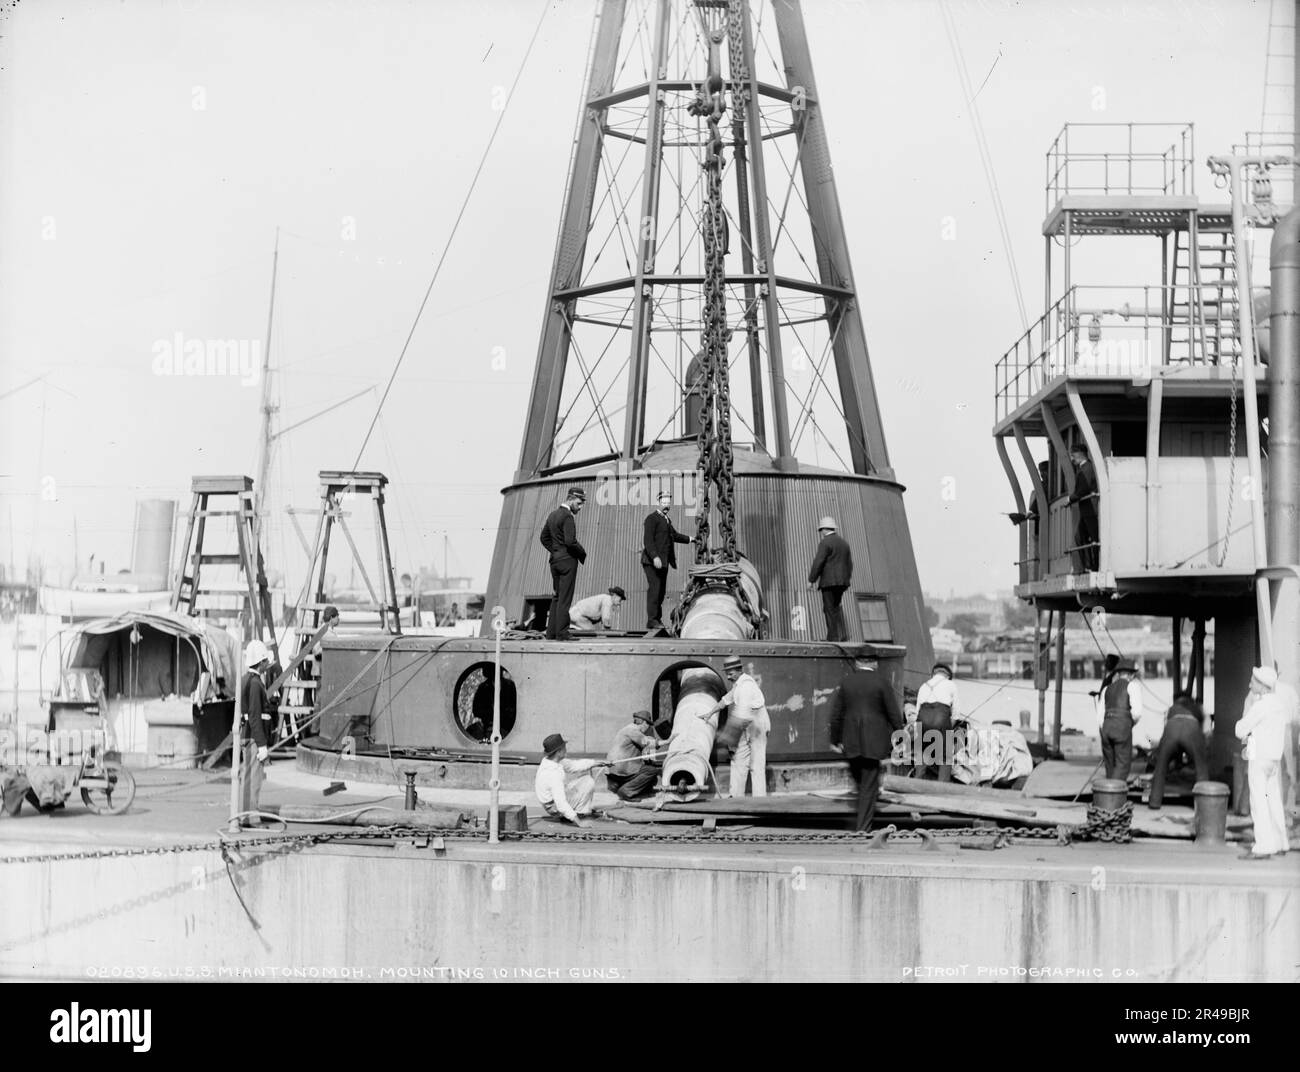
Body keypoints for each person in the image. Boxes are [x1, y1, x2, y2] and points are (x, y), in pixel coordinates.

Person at [828, 652, 905, 832]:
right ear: (875, 663)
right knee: (868, 787)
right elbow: (893, 713)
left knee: (862, 784)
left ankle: (861, 819)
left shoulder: (846, 682)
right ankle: (863, 828)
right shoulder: (882, 682)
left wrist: (835, 740)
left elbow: (836, 714)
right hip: (874, 742)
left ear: (856, 663)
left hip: (851, 741)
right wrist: (900, 738)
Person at [1235, 666, 1290, 859]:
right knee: (1273, 800)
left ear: (1262, 686)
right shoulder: (1279, 703)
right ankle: (1281, 842)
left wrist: (1249, 705)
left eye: (1253, 681)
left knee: (1258, 801)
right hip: (1274, 758)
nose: (1250, 684)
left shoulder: (1260, 705)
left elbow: (1240, 730)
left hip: (1259, 758)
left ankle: (1264, 847)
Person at [699, 655, 770, 797]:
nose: (729, 677)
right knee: (738, 761)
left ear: (739, 670)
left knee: (756, 765)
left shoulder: (746, 686)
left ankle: (759, 800)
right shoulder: (738, 684)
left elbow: (741, 715)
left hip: (757, 724)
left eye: (730, 674)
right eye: (727, 674)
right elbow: (726, 700)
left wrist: (726, 737)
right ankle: (736, 797)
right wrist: (709, 713)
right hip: (745, 723)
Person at [1147, 691, 1209, 809]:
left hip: (1172, 728)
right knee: (1201, 767)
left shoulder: (1172, 708)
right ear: (1191, 699)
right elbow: (1206, 730)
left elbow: (1166, 733)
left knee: (1160, 767)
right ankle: (1204, 804)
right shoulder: (1198, 707)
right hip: (1192, 729)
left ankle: (1154, 802)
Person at [539, 488, 587, 640]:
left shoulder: (552, 514)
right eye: (579, 503)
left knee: (557, 597)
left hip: (555, 561)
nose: (579, 507)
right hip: (567, 561)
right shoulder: (567, 516)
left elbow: (543, 537)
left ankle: (551, 632)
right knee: (565, 598)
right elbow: (570, 541)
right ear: (571, 499)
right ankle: (562, 633)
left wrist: (555, 551)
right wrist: (582, 553)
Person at [642, 492, 691, 630]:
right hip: (652, 562)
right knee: (655, 589)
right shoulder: (652, 519)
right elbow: (648, 540)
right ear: (658, 502)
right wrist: (654, 556)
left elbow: (674, 536)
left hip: (663, 562)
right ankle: (652, 620)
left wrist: (691, 539)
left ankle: (657, 619)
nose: (666, 506)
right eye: (664, 503)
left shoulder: (667, 520)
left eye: (668, 503)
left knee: (661, 591)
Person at [534, 733, 605, 825]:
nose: (566, 750)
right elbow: (561, 803)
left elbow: (574, 765)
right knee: (588, 782)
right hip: (555, 807)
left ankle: (574, 812)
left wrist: (596, 763)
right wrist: (579, 823)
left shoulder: (551, 760)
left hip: (554, 802)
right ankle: (577, 815)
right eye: (564, 747)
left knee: (585, 779)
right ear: (559, 752)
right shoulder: (553, 773)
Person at [240, 640, 274, 827]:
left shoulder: (247, 680)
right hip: (254, 738)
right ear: (260, 662)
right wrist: (262, 745)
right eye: (265, 661)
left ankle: (245, 815)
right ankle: (252, 818)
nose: (267, 664)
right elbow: (255, 715)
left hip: (249, 735)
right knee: (254, 779)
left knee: (247, 777)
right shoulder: (254, 684)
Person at [807, 516, 853, 641]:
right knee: (835, 608)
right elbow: (849, 564)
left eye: (820, 530)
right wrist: (846, 580)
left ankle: (833, 638)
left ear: (824, 529)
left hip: (829, 582)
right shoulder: (844, 543)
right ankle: (835, 635)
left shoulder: (825, 543)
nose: (821, 533)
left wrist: (811, 580)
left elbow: (819, 562)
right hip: (842, 582)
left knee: (828, 609)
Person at [915, 662, 960, 782]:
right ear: (948, 676)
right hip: (941, 719)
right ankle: (942, 786)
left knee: (922, 753)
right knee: (946, 756)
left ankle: (917, 781)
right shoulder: (951, 685)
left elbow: (917, 711)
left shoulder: (923, 686)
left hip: (922, 719)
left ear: (933, 674)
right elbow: (956, 714)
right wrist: (949, 729)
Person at [1100, 660, 1142, 781]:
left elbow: (1100, 716)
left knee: (1110, 765)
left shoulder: (1106, 689)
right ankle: (1114, 797)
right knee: (1122, 765)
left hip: (1106, 729)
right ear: (1131, 675)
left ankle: (1107, 794)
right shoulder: (1132, 686)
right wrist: (1130, 724)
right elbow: (1137, 713)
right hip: (1122, 728)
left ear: (1118, 674)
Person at [604, 710, 661, 800]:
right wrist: (668, 741)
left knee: (647, 772)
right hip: (621, 768)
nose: (648, 728)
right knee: (651, 771)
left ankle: (621, 787)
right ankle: (626, 792)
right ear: (643, 722)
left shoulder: (626, 729)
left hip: (612, 769)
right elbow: (649, 743)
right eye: (648, 725)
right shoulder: (633, 730)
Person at [1067, 444, 1099, 572]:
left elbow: (1083, 489)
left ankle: (1093, 566)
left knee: (1092, 538)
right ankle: (1089, 565)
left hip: (1091, 509)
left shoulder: (1086, 468)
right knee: (1082, 537)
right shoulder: (1085, 468)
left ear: (1079, 454)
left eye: (1072, 455)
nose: (1072, 459)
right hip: (1087, 510)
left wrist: (1071, 498)